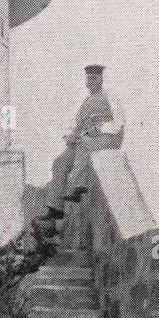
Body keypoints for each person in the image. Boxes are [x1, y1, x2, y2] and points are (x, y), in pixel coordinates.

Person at [41, 65, 125, 218]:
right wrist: (71, 136)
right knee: (60, 161)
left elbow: (119, 122)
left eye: (94, 78)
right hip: (85, 140)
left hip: (108, 138)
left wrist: (100, 128)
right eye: (89, 78)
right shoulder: (84, 103)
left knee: (84, 144)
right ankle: (55, 209)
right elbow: (77, 126)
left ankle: (78, 187)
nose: (91, 81)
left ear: (101, 79)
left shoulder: (109, 96)